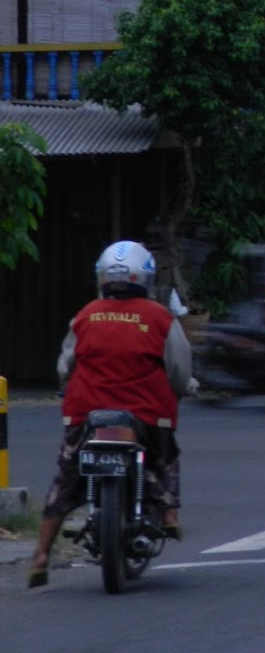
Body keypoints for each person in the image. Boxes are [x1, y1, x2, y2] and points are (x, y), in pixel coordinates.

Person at [29, 241, 190, 589]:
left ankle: (40, 554)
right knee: (164, 457)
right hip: (146, 411)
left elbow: (65, 365)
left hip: (87, 410)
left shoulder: (86, 315)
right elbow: (178, 368)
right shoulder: (161, 318)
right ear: (144, 276)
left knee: (66, 476)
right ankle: (169, 513)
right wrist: (181, 387)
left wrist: (65, 386)